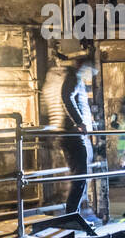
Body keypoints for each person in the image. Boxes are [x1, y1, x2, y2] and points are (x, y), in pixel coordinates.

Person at [41, 54, 97, 221]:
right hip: (73, 134)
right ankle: (72, 216)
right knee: (80, 175)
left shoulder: (64, 77)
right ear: (83, 66)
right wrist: (80, 122)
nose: (91, 75)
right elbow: (67, 97)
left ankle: (74, 214)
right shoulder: (73, 77)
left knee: (77, 175)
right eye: (90, 70)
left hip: (66, 133)